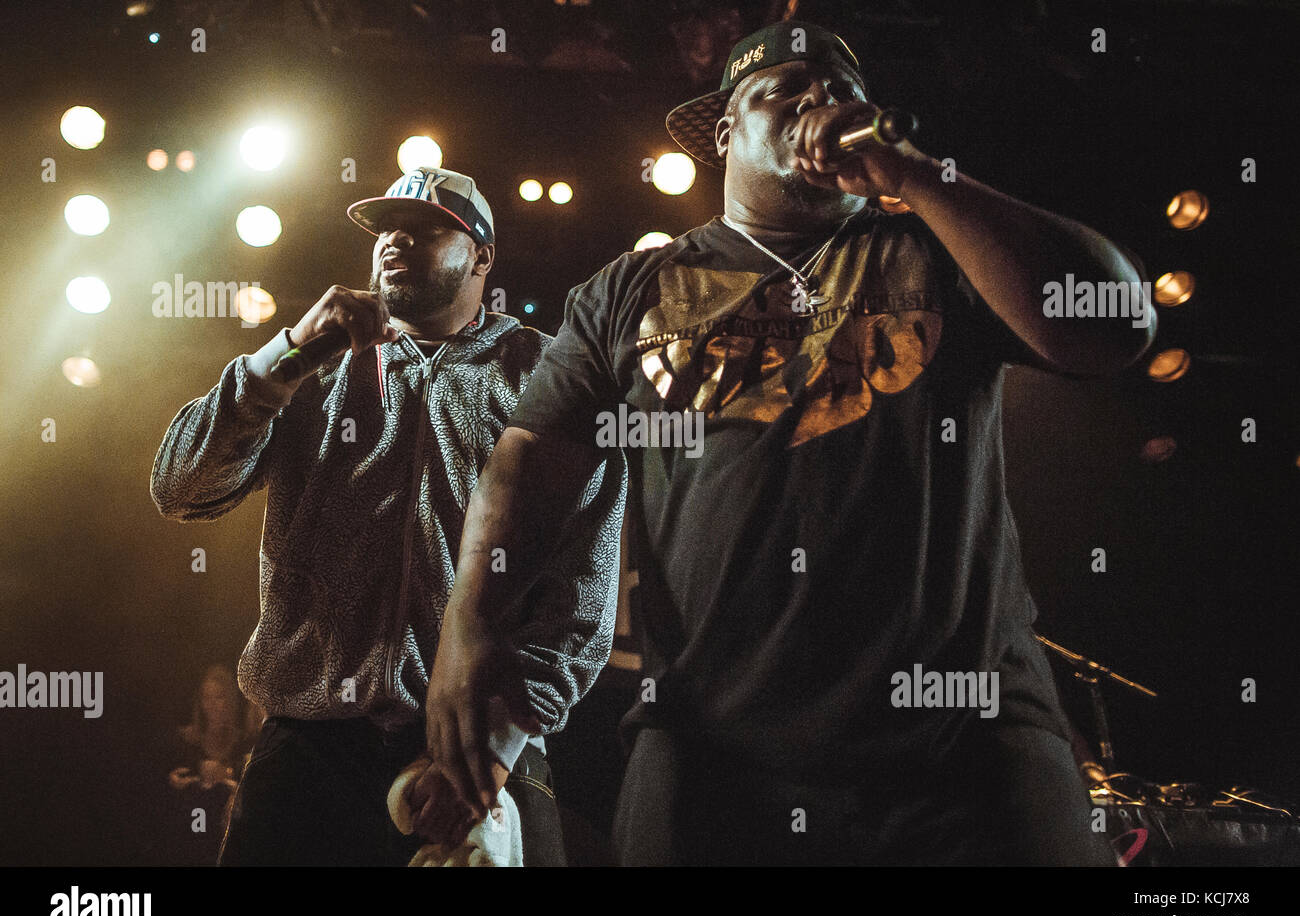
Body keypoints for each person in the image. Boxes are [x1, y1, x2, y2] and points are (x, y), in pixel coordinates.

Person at [426, 21, 1154, 865]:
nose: (821, 106)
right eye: (788, 91)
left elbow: (1114, 326)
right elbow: (528, 465)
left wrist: (912, 178)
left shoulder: (933, 249)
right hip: (713, 754)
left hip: (966, 750)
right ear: (727, 133)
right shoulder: (632, 289)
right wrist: (468, 621)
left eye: (840, 94)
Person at [150, 166, 626, 866]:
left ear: (483, 257)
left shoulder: (547, 375)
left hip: (483, 744)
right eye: (386, 229)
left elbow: (583, 590)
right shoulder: (312, 366)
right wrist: (284, 357)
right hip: (308, 749)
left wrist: (491, 746)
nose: (396, 241)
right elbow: (179, 487)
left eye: (428, 229)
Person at [153, 665, 255, 865]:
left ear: (230, 701)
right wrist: (189, 774)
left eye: (219, 697)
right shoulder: (186, 742)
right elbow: (162, 779)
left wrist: (225, 773)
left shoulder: (243, 744)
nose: (213, 705)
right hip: (189, 845)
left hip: (229, 847)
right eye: (207, 698)